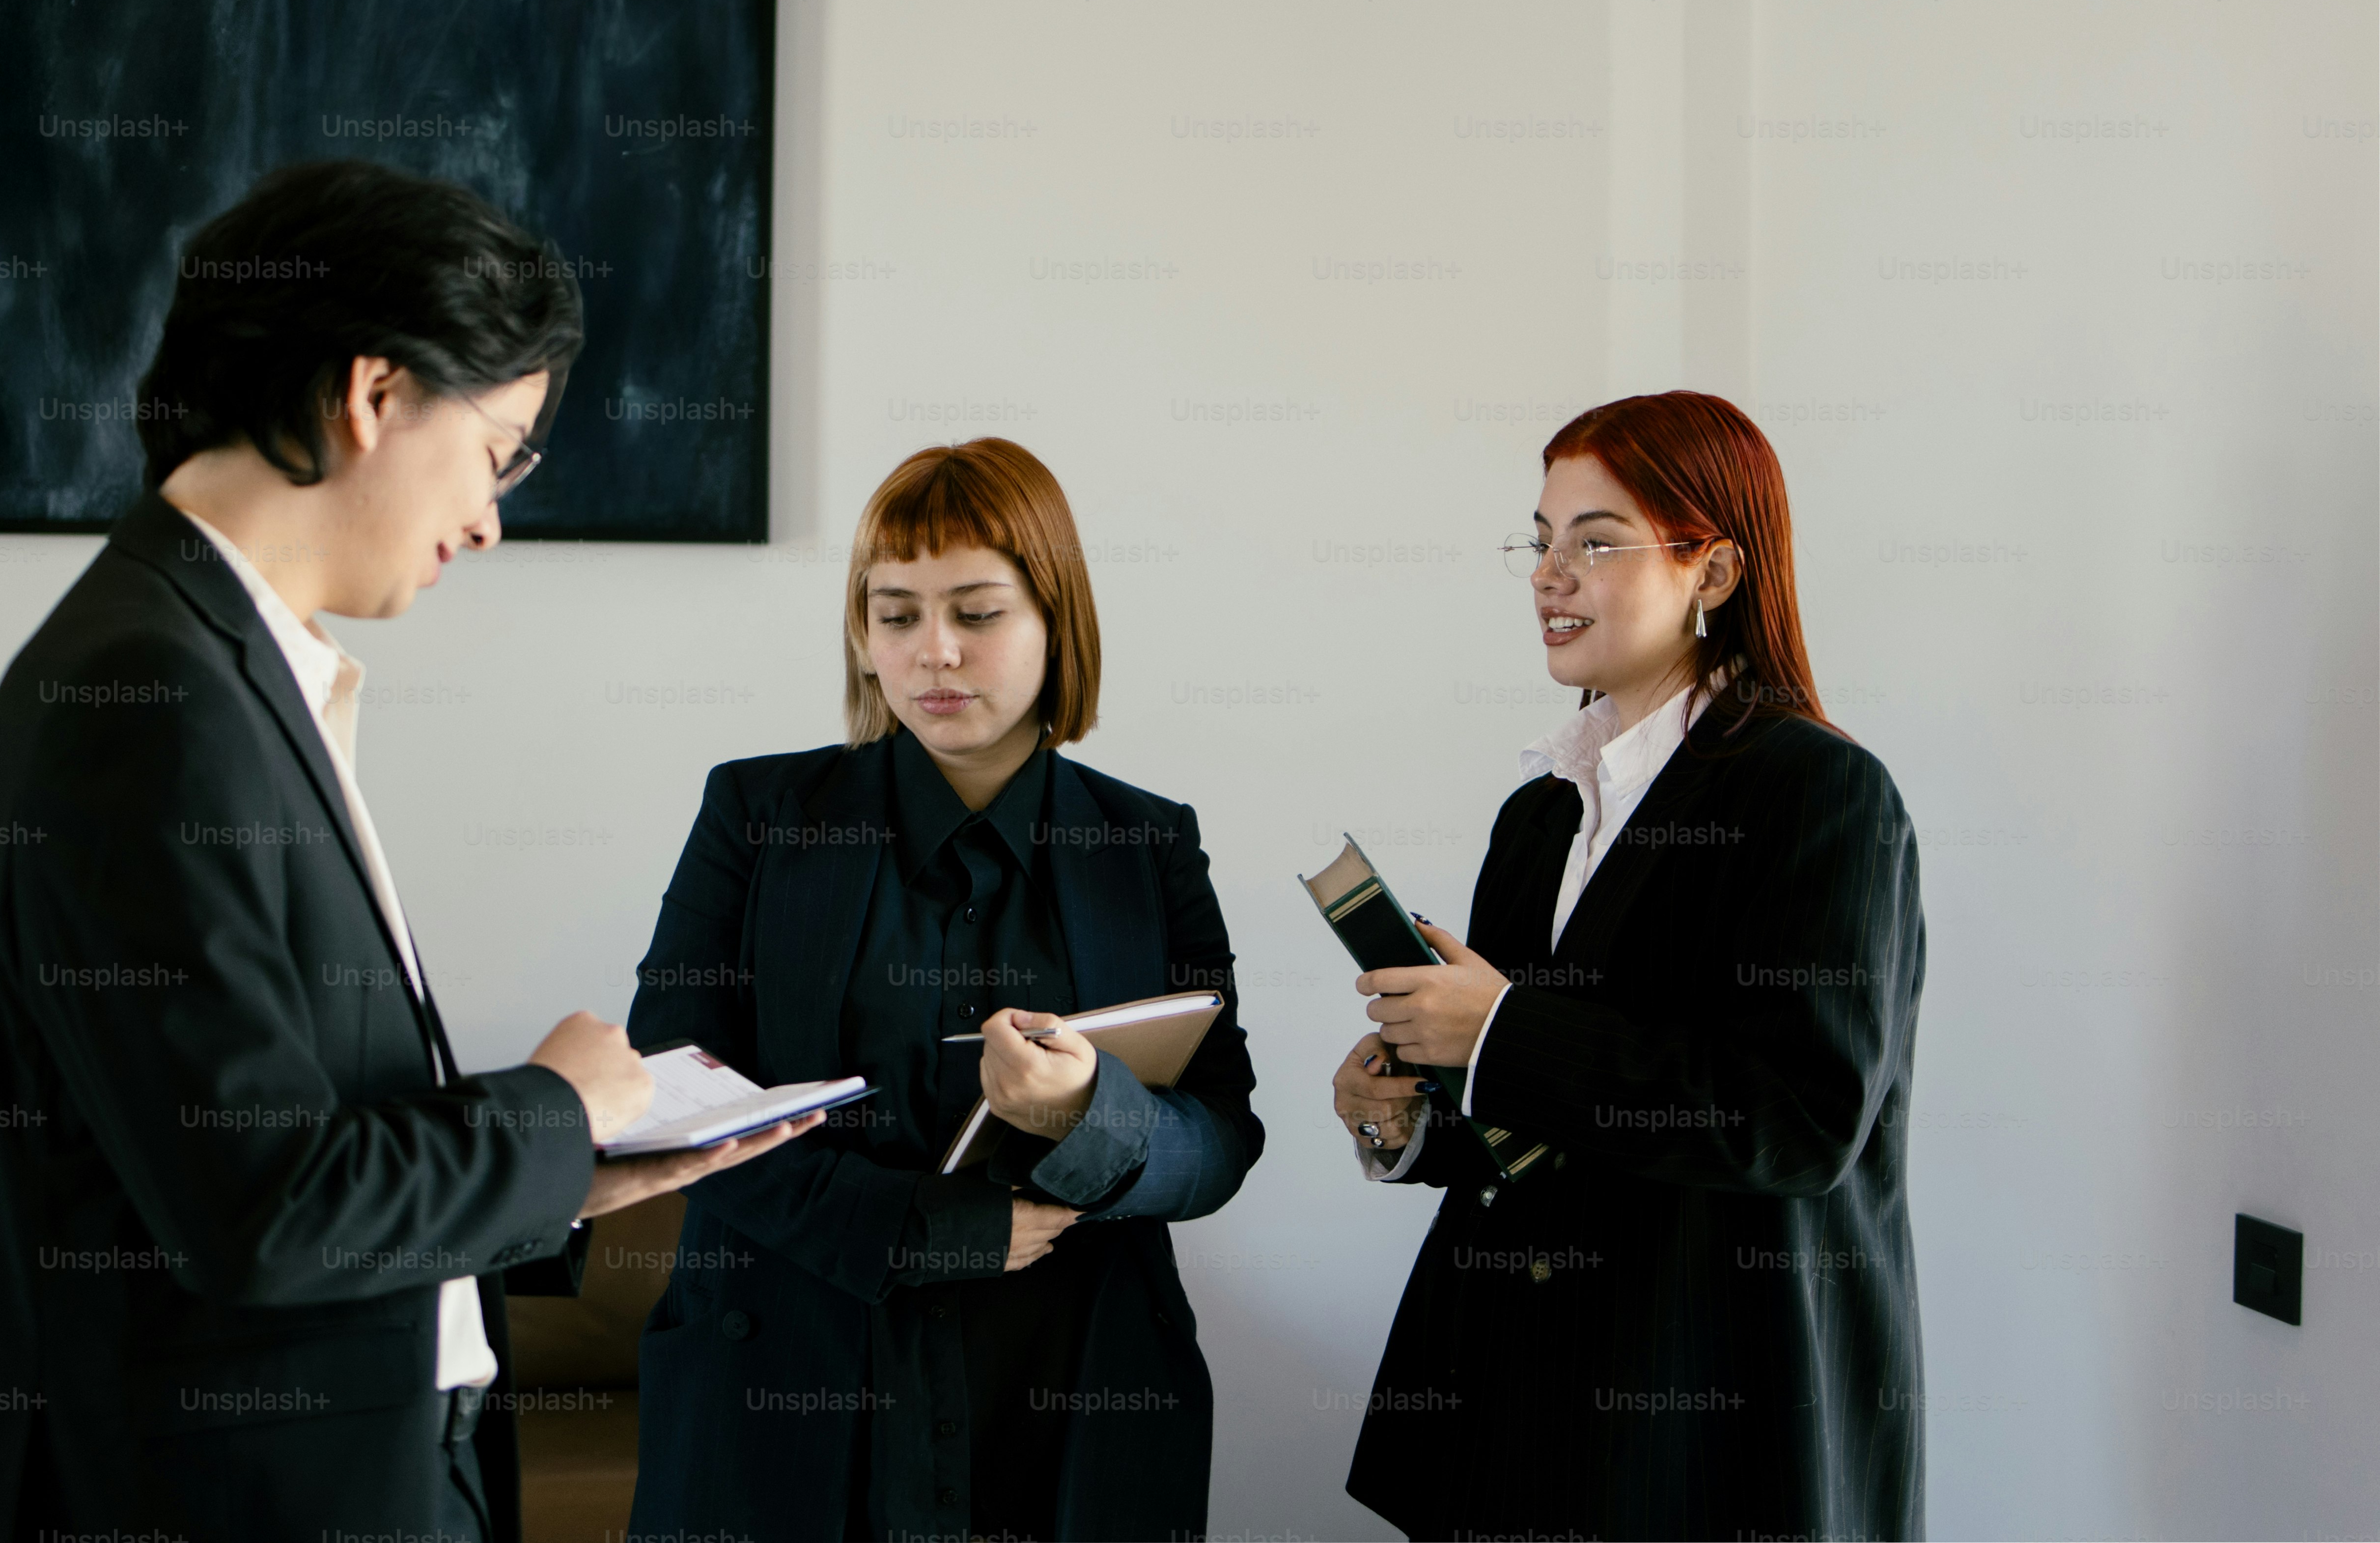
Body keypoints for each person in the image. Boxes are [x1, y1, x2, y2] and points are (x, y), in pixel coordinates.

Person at [0, 160, 813, 1543]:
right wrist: (550, 1111)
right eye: (500, 449)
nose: (493, 516)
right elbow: (264, 1203)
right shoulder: (149, 704)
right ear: (375, 394)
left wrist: (560, 1170)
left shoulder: (215, 670)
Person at [623, 437, 1263, 1543]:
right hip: (787, 1368)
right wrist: (926, 1226)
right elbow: (675, 1090)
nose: (934, 652)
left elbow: (1221, 1140)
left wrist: (1085, 1115)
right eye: (896, 612)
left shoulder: (1148, 841)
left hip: (1072, 1384)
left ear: (1057, 618)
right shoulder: (756, 812)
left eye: (977, 611)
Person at [1332, 390, 1925, 1541]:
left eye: (1596, 540)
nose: (1551, 573)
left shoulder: (1821, 792)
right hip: (1507, 1409)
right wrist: (1404, 1115)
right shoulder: (1539, 813)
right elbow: (1528, 1118)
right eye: (1541, 540)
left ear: (1712, 570)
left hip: (1702, 1420)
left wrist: (1497, 1030)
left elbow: (1800, 1119)